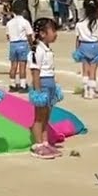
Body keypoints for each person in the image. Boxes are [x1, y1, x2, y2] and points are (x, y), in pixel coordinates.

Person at [26, 17, 62, 159]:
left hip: (50, 84)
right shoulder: (37, 51)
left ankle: (46, 142)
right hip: (42, 85)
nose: (55, 34)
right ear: (42, 33)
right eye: (53, 30)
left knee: (46, 117)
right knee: (39, 117)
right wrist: (38, 91)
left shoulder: (47, 50)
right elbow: (36, 73)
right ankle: (38, 145)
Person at [75, 0, 98, 100]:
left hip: (83, 46)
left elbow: (77, 39)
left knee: (85, 69)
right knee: (93, 70)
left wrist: (77, 50)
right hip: (95, 46)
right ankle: (92, 92)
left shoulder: (79, 24)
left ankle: (85, 90)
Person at [5, 0, 33, 92]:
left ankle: (12, 84)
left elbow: (8, 36)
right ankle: (22, 85)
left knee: (13, 65)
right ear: (23, 11)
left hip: (13, 44)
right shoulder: (25, 22)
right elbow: (29, 35)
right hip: (22, 43)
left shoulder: (9, 23)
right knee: (22, 65)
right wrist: (31, 44)